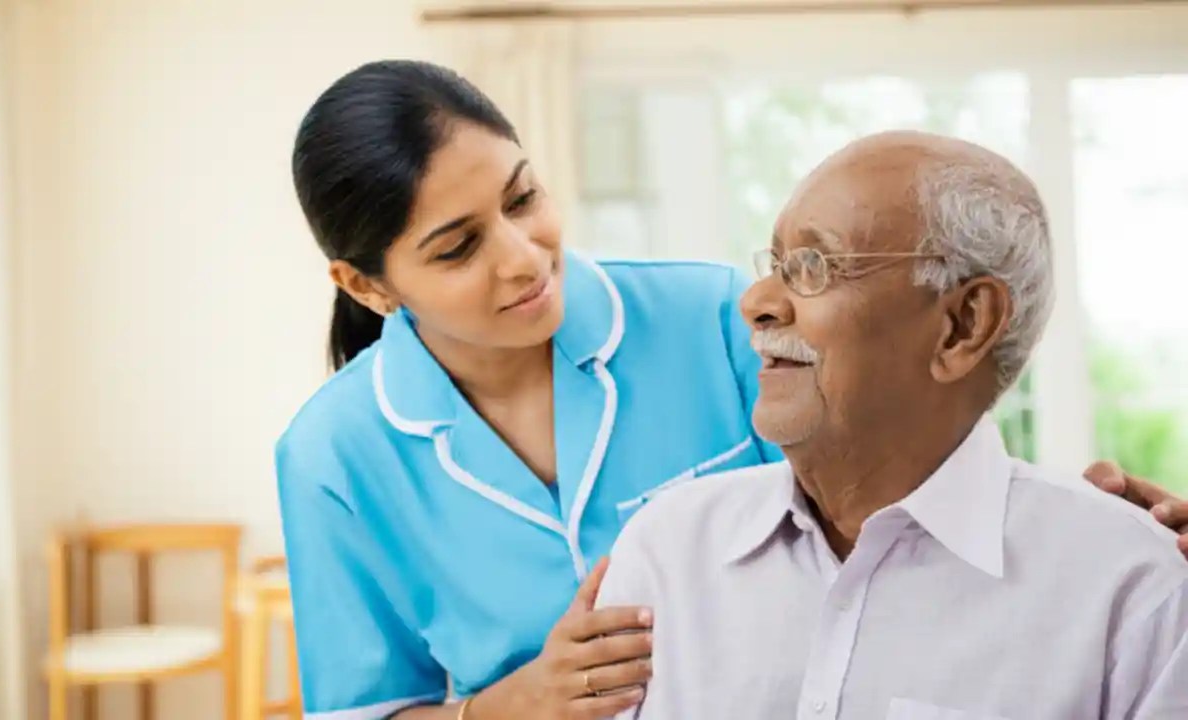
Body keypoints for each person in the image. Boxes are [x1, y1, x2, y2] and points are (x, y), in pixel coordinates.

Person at [276, 60, 1188, 720]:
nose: (524, 259)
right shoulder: (331, 456)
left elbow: (895, 469)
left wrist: (1088, 541)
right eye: (458, 246)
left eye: (522, 199)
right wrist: (510, 709)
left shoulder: (709, 313)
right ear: (367, 286)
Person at [596, 131, 1188, 719]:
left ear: (963, 325)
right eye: (775, 264)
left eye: (813, 265)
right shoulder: (668, 552)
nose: (756, 301)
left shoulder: (1134, 588)